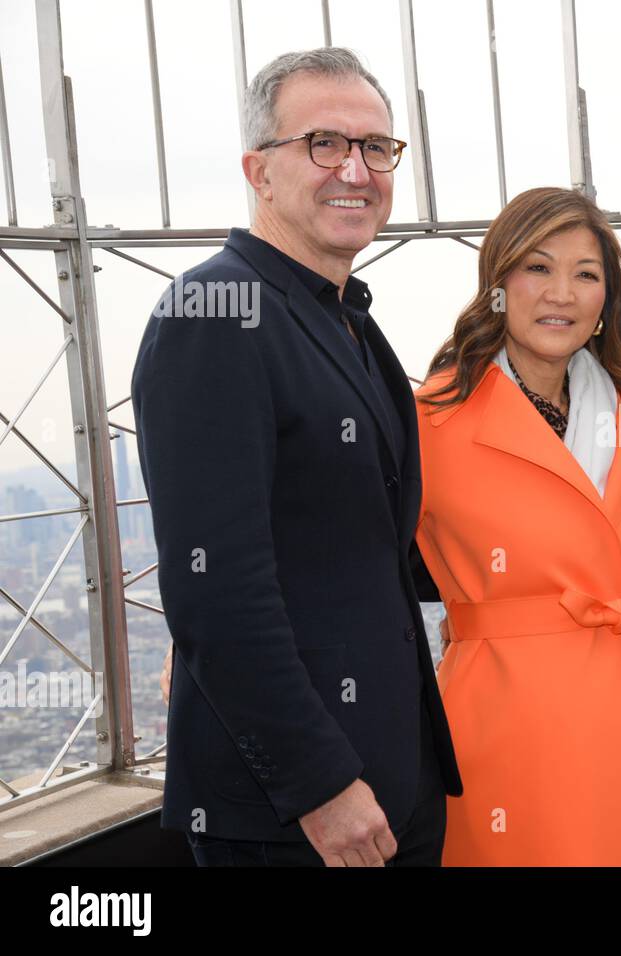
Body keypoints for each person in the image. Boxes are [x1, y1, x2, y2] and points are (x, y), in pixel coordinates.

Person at [133, 48, 460, 867]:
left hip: (393, 785)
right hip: (297, 813)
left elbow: (365, 548)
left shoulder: (348, 321)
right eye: (323, 143)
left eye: (376, 147)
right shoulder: (215, 314)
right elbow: (217, 591)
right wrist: (319, 785)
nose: (356, 168)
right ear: (259, 170)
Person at [413, 186, 621, 866]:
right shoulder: (431, 416)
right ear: (498, 282)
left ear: (607, 304)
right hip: (505, 726)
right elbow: (358, 563)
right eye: (538, 268)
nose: (561, 294)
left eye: (586, 274)